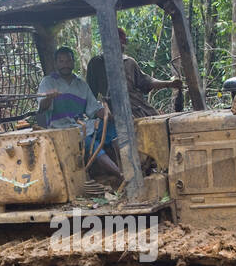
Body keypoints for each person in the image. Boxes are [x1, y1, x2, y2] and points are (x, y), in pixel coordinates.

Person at [37, 46, 122, 184]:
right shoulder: (48, 82)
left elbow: (94, 109)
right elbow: (42, 107)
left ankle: (128, 164)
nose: (65, 64)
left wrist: (115, 118)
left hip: (82, 126)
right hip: (61, 130)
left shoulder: (81, 84)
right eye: (61, 61)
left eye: (68, 61)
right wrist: (48, 97)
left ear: (73, 62)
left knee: (114, 129)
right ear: (56, 63)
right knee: (91, 144)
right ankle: (122, 176)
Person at [118, 28, 182, 119]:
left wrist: (169, 84)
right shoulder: (98, 64)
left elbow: (146, 82)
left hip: (139, 109)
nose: (123, 45)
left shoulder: (129, 63)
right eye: (121, 42)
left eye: (124, 42)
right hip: (121, 114)